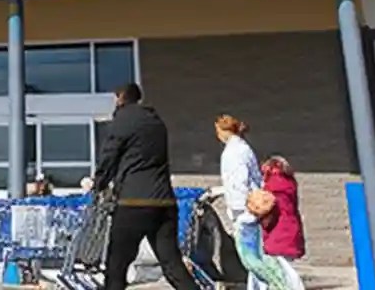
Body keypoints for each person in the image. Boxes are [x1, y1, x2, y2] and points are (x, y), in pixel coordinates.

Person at [93, 83, 198, 290]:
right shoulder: (156, 122)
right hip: (164, 201)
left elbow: (109, 155)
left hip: (134, 202)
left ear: (121, 98)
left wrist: (99, 183)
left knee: (117, 264)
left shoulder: (124, 119)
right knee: (171, 263)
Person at [214, 116, 303, 290]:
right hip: (252, 209)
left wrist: (238, 208)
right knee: (257, 256)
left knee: (251, 259)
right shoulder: (243, 149)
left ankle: (280, 284)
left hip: (245, 211)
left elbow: (238, 183)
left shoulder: (233, 152)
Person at [261, 156, 306, 261]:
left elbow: (268, 214)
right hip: (292, 229)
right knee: (287, 267)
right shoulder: (290, 183)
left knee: (279, 271)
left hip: (276, 233)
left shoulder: (271, 187)